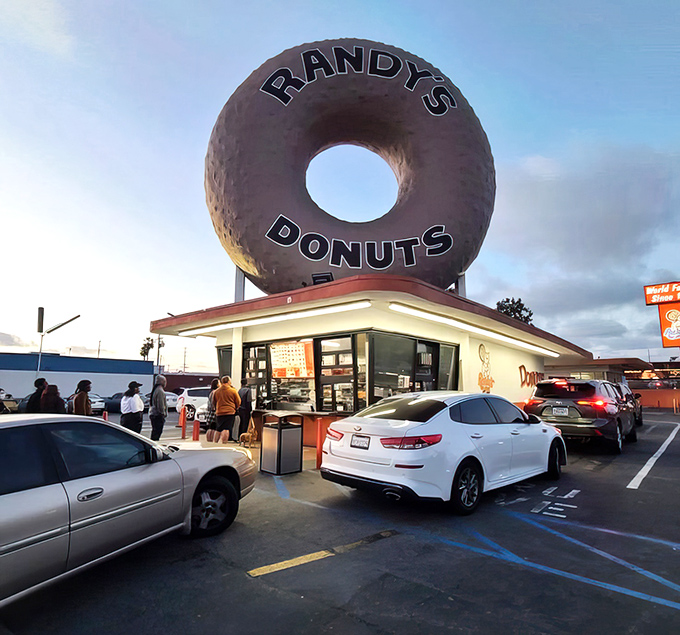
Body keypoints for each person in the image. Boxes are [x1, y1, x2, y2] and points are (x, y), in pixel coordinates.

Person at [213, 376, 240, 444]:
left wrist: (217, 408)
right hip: (229, 412)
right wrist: (235, 408)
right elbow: (238, 401)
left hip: (219, 412)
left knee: (218, 429)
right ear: (228, 381)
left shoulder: (216, 391)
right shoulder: (233, 391)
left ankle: (215, 442)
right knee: (226, 428)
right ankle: (224, 443)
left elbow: (214, 401)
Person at [149, 375, 168, 441]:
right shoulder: (160, 391)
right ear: (162, 382)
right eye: (165, 381)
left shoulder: (156, 389)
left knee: (155, 431)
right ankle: (154, 445)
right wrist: (163, 413)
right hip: (157, 415)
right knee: (157, 431)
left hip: (154, 414)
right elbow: (160, 404)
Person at [205, 378, 219, 442]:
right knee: (214, 427)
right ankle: (211, 439)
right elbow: (214, 402)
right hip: (213, 411)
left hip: (210, 411)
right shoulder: (215, 392)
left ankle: (208, 439)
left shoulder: (211, 392)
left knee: (210, 427)